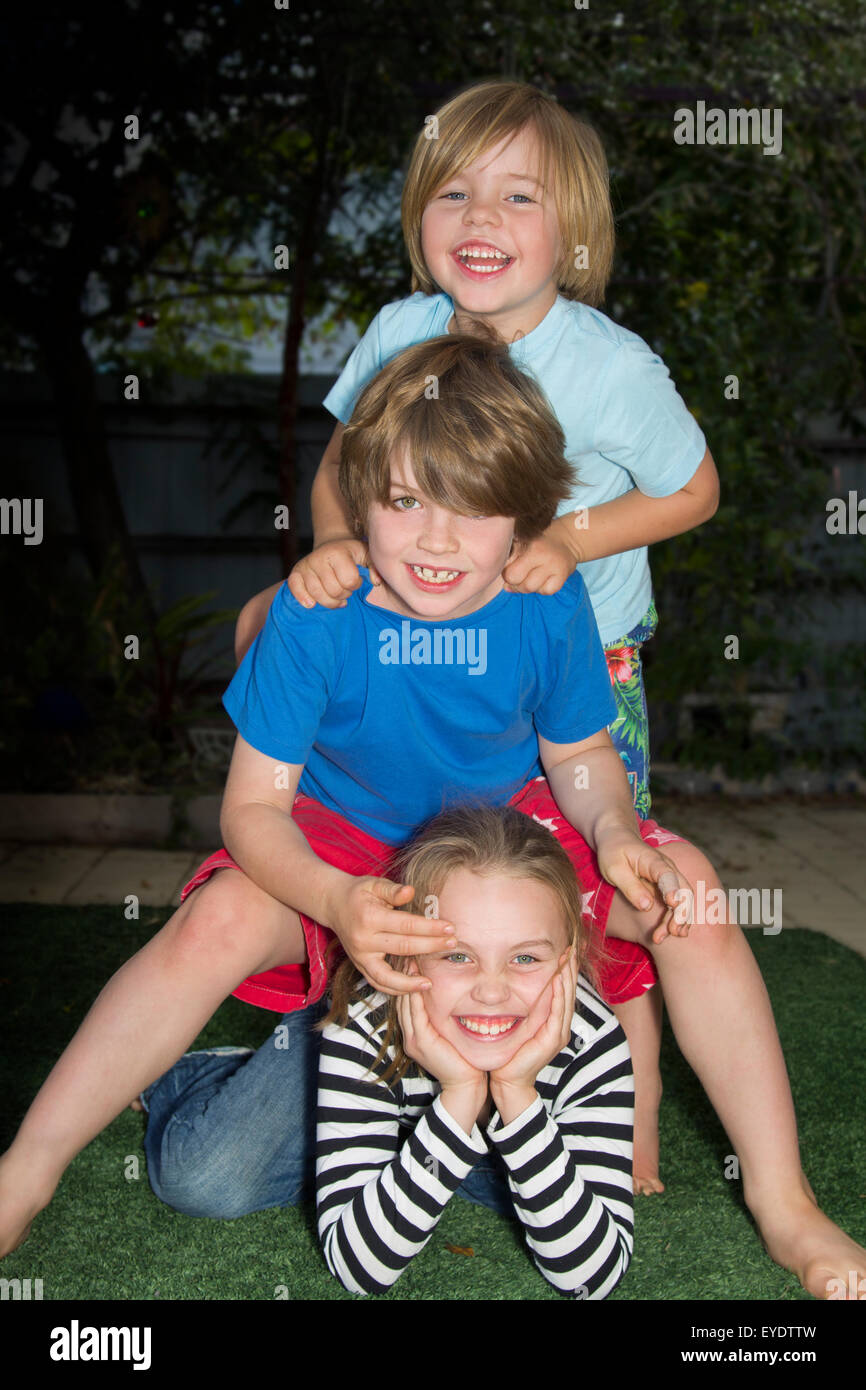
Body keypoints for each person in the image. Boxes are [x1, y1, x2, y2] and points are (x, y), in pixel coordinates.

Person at [0, 334, 862, 1303]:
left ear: (526, 516)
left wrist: (616, 831)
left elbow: (578, 758)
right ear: (359, 496)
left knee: (689, 894)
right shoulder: (314, 611)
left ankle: (783, 1200)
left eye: (472, 505)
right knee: (216, 922)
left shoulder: (546, 597)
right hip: (344, 847)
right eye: (405, 501)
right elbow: (251, 808)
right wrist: (333, 897)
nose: (437, 540)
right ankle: (28, 1167)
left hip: (503, 850)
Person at [234, 79, 721, 1196]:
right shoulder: (403, 331)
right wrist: (330, 552)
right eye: (451, 193)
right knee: (424, 877)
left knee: (610, 913)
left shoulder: (610, 367)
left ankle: (631, 1121)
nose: (479, 220)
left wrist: (567, 532)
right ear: (416, 216)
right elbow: (339, 467)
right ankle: (374, 1067)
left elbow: (693, 490)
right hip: (420, 649)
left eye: (517, 196)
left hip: (572, 659)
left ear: (577, 233)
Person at [317, 805, 634, 1300]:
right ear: (406, 952)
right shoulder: (363, 1024)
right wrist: (461, 1094)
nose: (492, 991)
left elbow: (593, 1278)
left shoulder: (591, 1040)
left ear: (567, 964)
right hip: (392, 1110)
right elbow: (358, 1269)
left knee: (504, 1187)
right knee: (207, 1177)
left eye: (525, 957)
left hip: (476, 1149)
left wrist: (516, 1093)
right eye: (458, 956)